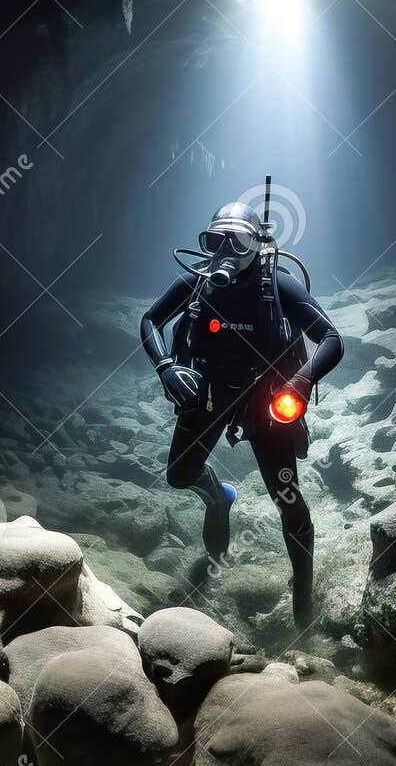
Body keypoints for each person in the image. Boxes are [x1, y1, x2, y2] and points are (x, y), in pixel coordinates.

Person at [140, 198, 342, 625]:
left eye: (238, 241)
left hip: (268, 403)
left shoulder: (278, 286)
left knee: (287, 500)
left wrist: (300, 381)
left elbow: (331, 339)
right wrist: (166, 367)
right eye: (215, 240)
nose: (225, 252)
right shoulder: (196, 283)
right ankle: (219, 496)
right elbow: (150, 321)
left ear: (258, 245)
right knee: (179, 475)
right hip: (209, 392)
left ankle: (302, 589)